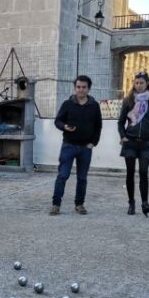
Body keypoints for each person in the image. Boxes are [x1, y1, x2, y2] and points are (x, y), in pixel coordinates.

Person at [49, 75, 102, 215]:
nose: (81, 90)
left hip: (86, 148)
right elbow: (58, 121)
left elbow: (98, 126)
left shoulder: (94, 106)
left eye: (84, 87)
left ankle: (79, 205)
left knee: (82, 178)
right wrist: (65, 126)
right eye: (78, 87)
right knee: (63, 175)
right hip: (69, 146)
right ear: (75, 88)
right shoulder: (67, 104)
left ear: (88, 89)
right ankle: (56, 205)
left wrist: (93, 143)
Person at [117, 71, 149, 216]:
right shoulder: (129, 100)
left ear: (147, 83)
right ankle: (131, 203)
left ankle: (145, 204)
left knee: (143, 172)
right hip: (130, 142)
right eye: (136, 83)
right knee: (130, 173)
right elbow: (121, 122)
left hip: (145, 143)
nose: (139, 85)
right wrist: (123, 136)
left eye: (141, 83)